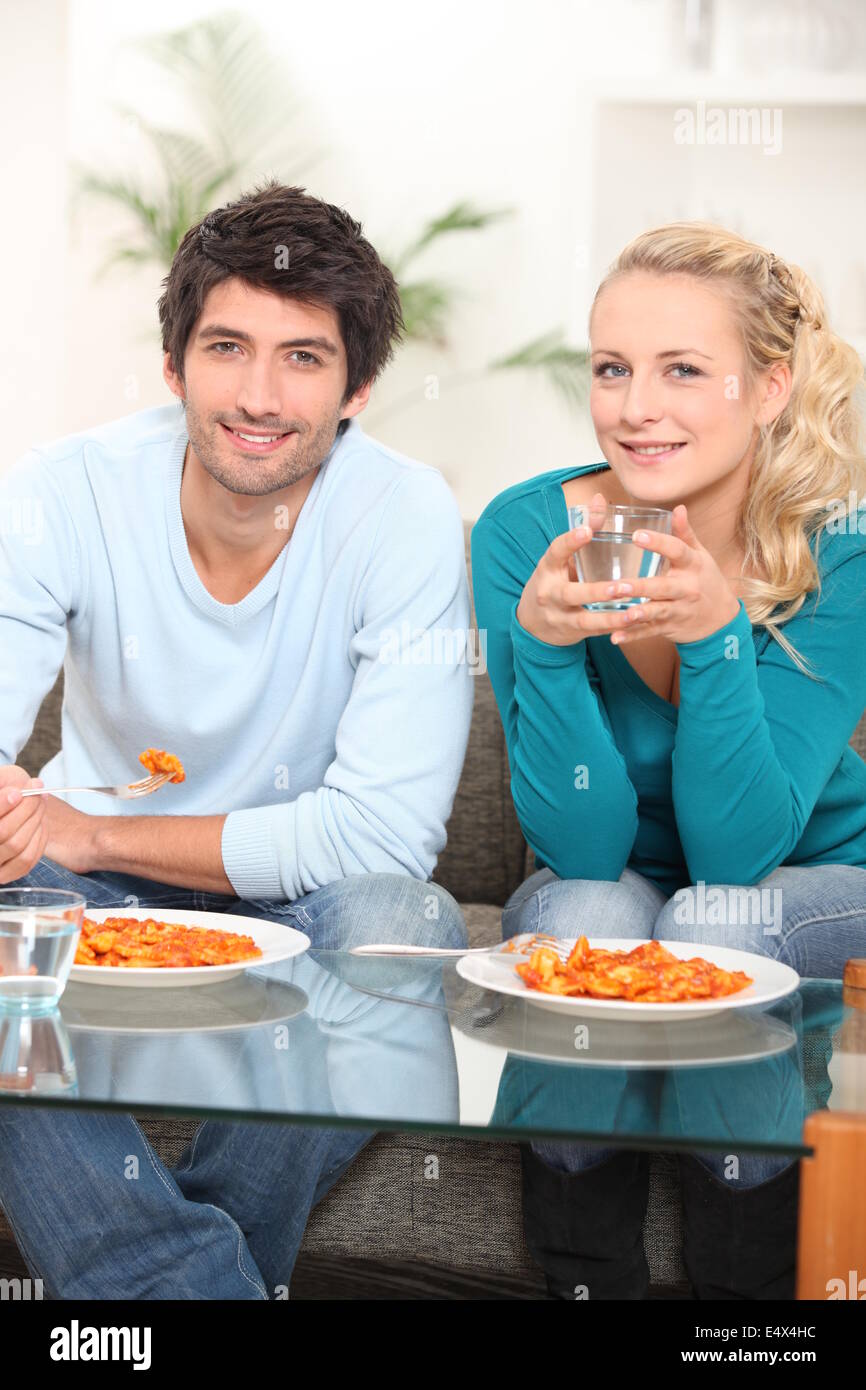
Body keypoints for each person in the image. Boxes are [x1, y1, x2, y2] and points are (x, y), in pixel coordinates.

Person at [0, 180, 473, 1298]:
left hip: (302, 901)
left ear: (356, 386)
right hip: (89, 890)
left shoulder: (400, 515)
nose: (258, 396)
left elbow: (384, 839)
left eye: (303, 357)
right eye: (227, 347)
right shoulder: (64, 493)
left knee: (406, 928)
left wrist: (96, 829)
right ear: (174, 367)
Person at [471, 221, 866, 1299]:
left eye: (681, 370)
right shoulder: (523, 533)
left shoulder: (841, 552)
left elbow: (736, 850)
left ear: (768, 386)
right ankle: (584, 1283)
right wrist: (546, 651)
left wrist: (713, 636)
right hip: (621, 878)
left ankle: (737, 1307)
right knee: (579, 916)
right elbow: (579, 845)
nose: (633, 407)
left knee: (711, 918)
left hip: (815, 877)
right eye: (611, 369)